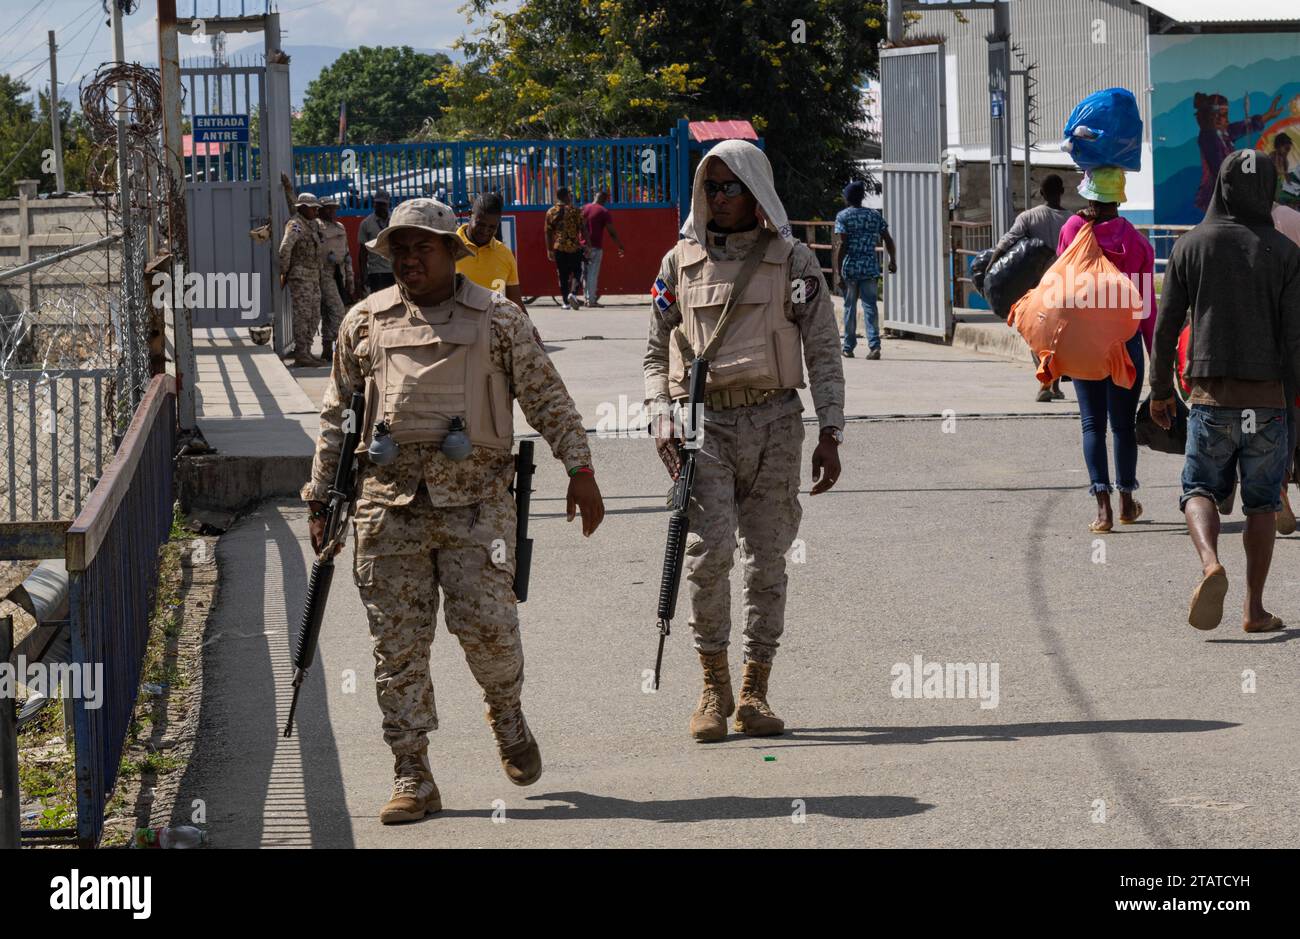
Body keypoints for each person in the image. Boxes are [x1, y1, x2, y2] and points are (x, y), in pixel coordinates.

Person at [302, 198, 606, 824]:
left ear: (452, 252)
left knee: (491, 638)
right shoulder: (364, 323)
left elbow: (546, 394)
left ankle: (508, 714)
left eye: (424, 248)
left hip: (478, 511)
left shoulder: (498, 319)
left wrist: (579, 469)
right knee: (397, 650)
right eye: (400, 251)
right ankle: (412, 773)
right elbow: (338, 417)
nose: (410, 260)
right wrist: (321, 496)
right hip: (387, 511)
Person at [643, 140, 845, 742]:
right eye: (713, 188)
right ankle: (714, 685)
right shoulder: (677, 264)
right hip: (704, 429)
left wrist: (831, 429)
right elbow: (656, 350)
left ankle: (755, 689)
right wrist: (660, 412)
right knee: (709, 559)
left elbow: (824, 349)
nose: (723, 199)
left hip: (777, 423)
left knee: (768, 557)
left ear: (757, 192)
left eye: (734, 187)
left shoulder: (793, 262)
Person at [1151, 151, 1300, 633]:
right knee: (1261, 504)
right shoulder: (1285, 252)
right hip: (1269, 401)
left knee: (1198, 488)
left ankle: (1211, 562)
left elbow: (1167, 323)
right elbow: (1295, 336)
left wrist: (1159, 390)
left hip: (1211, 397)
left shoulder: (1191, 245)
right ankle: (1254, 610)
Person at [1056, 167, 1155, 533]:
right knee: (1123, 426)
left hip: (1086, 343)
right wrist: (1152, 349)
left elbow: (1060, 289)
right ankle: (1127, 501)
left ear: (1089, 195)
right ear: (1119, 198)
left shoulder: (1072, 232)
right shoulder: (1136, 241)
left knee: (1092, 424)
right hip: (1125, 342)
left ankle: (1103, 510)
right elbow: (1145, 306)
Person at [987, 174, 1072, 401]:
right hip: (1066, 287)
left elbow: (1007, 241)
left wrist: (991, 266)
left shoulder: (1029, 217)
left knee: (1037, 335)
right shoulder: (1073, 220)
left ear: (1041, 193)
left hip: (1036, 288)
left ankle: (1047, 383)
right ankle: (1052, 384)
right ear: (1062, 191)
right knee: (1059, 336)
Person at [832, 180, 894, 360]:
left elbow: (842, 244)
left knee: (849, 307)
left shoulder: (843, 216)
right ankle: (874, 346)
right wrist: (893, 260)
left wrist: (837, 272)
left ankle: (848, 347)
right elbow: (888, 239)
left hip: (850, 267)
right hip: (869, 267)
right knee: (870, 306)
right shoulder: (874, 215)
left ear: (847, 197)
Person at [1193, 92, 1282, 213]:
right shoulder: (1209, 137)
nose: (1227, 119)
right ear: (1214, 117)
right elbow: (1220, 168)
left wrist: (1269, 115)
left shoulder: (1224, 133)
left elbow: (1245, 126)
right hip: (1216, 194)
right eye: (1224, 115)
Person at [456, 191, 527, 315]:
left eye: (492, 227)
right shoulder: (449, 248)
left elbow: (515, 302)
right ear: (470, 215)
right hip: (455, 327)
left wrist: (530, 331)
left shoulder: (505, 254)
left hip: (492, 328)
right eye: (480, 224)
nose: (485, 231)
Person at [278, 192, 325, 368]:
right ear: (303, 208)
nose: (316, 212)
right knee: (303, 316)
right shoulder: (296, 224)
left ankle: (306, 351)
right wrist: (285, 271)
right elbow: (285, 248)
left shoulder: (311, 225)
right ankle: (301, 353)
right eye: (313, 209)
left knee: (314, 315)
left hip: (313, 276)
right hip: (300, 277)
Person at [317, 195, 354, 363]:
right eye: (328, 208)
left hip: (339, 273)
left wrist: (350, 279)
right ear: (321, 210)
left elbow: (346, 253)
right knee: (337, 310)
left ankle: (326, 349)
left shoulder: (340, 227)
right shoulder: (316, 226)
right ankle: (339, 347)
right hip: (324, 273)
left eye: (334, 208)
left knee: (328, 313)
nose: (332, 211)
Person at [580, 189, 625, 306]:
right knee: (592, 273)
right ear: (605, 199)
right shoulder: (603, 211)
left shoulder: (584, 208)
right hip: (595, 246)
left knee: (584, 273)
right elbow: (611, 232)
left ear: (595, 196)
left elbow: (579, 226)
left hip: (582, 246)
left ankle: (586, 298)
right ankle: (591, 300)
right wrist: (619, 245)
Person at [544, 186, 587, 309]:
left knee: (562, 274)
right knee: (577, 271)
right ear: (566, 196)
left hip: (559, 247)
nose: (571, 197)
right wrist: (588, 244)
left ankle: (565, 302)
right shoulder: (576, 211)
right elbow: (583, 228)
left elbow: (547, 232)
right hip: (574, 247)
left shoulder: (551, 212)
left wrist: (549, 249)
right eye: (570, 195)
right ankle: (573, 294)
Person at [358, 189, 395, 295]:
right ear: (374, 204)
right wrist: (364, 275)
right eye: (377, 204)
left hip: (395, 271)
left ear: (388, 204)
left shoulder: (395, 220)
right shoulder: (366, 223)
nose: (380, 207)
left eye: (383, 204)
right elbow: (362, 252)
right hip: (376, 272)